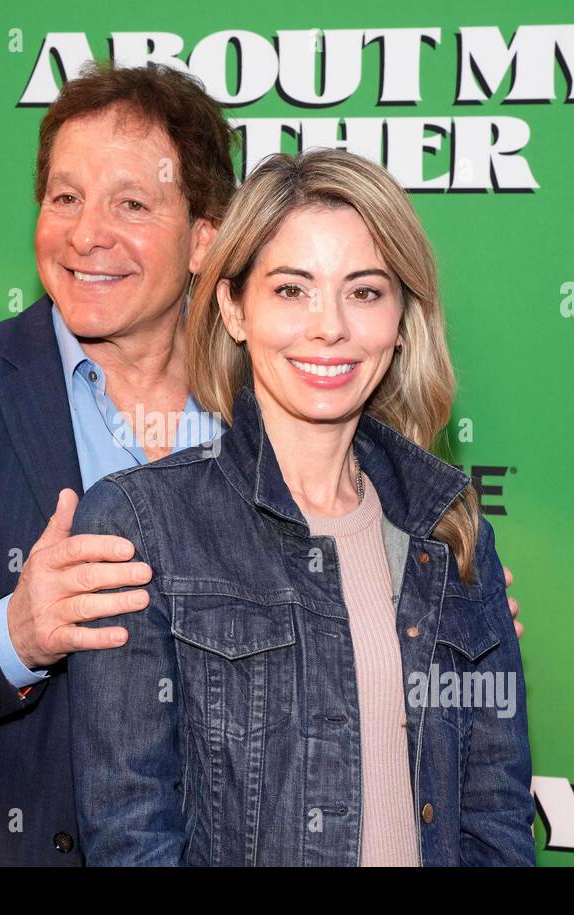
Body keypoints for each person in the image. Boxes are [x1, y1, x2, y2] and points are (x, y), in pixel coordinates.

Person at [0, 61, 522, 866]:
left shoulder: (294, 390)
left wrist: (423, 629)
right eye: (64, 198)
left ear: (209, 238)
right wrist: (12, 637)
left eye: (130, 203)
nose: (86, 233)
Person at [67, 148, 536, 866]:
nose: (330, 327)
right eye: (292, 290)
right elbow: (131, 836)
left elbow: (495, 818)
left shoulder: (452, 531)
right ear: (233, 308)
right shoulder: (142, 529)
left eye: (366, 292)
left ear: (403, 318)